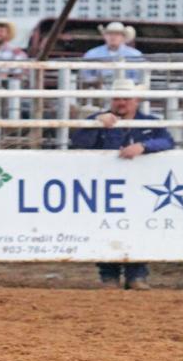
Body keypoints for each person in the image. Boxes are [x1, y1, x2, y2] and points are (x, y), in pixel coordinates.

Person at [69, 78, 175, 290]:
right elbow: (79, 142)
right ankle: (110, 275)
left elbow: (168, 142)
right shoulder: (98, 120)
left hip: (139, 185)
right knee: (105, 226)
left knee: (137, 226)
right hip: (107, 186)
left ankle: (136, 275)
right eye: (117, 98)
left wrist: (144, 146)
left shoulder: (150, 123)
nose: (121, 102)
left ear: (136, 100)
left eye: (126, 98)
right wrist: (96, 123)